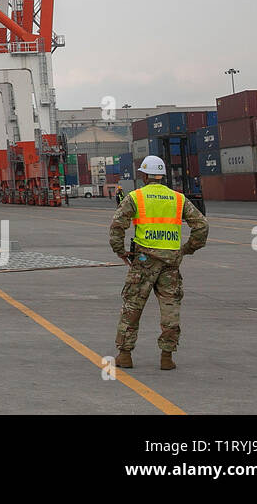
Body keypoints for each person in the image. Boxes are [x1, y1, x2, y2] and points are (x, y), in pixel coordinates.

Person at [109, 155, 208, 371]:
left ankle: (125, 355)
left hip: (144, 261)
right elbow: (201, 225)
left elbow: (117, 225)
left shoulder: (136, 197)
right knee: (170, 309)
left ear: (144, 175)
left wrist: (119, 251)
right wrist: (187, 249)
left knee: (132, 307)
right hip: (171, 263)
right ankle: (167, 357)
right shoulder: (178, 199)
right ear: (162, 176)